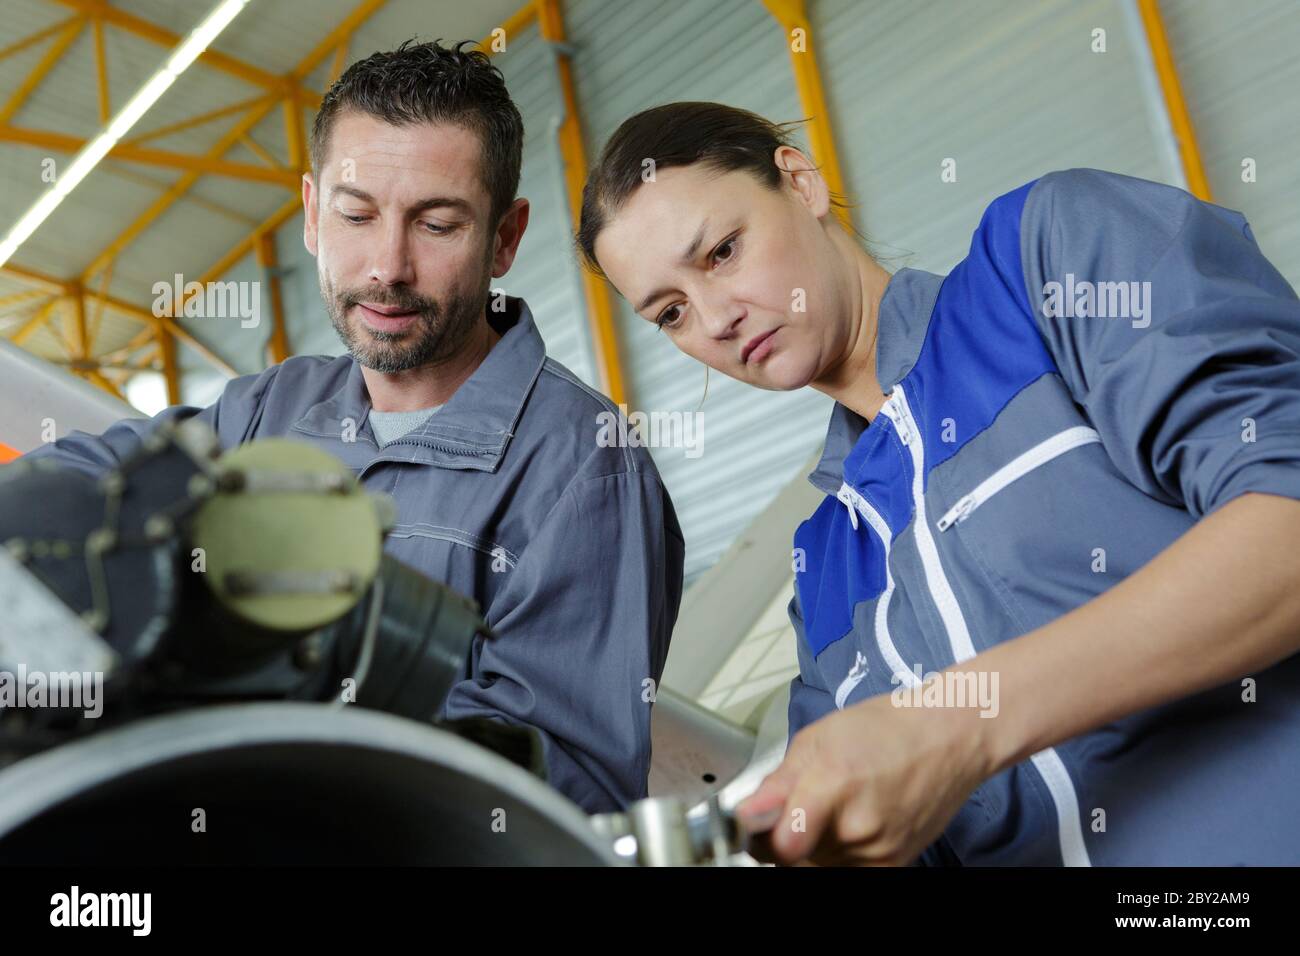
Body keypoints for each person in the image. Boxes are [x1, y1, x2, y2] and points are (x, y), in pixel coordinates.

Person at [577, 100, 1300, 864]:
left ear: (800, 182)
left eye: (722, 252)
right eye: (670, 313)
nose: (715, 319)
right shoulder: (824, 575)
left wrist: (957, 724)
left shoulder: (1046, 262)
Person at [23, 40, 685, 815]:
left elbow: (568, 791)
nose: (386, 267)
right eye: (356, 215)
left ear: (504, 238)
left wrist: (300, 701)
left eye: (437, 225)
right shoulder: (266, 409)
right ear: (311, 214)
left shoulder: (583, 467)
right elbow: (77, 483)